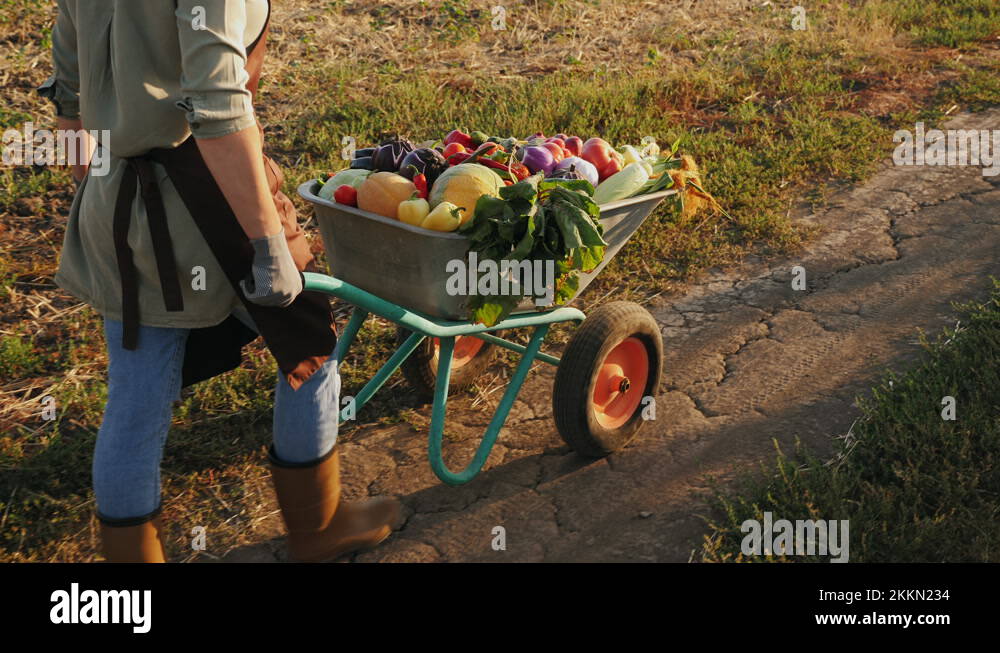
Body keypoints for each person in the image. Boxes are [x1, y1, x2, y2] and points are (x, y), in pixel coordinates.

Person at [38, 0, 399, 563]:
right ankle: (318, 528)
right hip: (208, 200)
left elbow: (69, 72)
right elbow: (217, 108)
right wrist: (266, 241)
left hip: (115, 200)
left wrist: (88, 154)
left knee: (135, 393)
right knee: (309, 345)